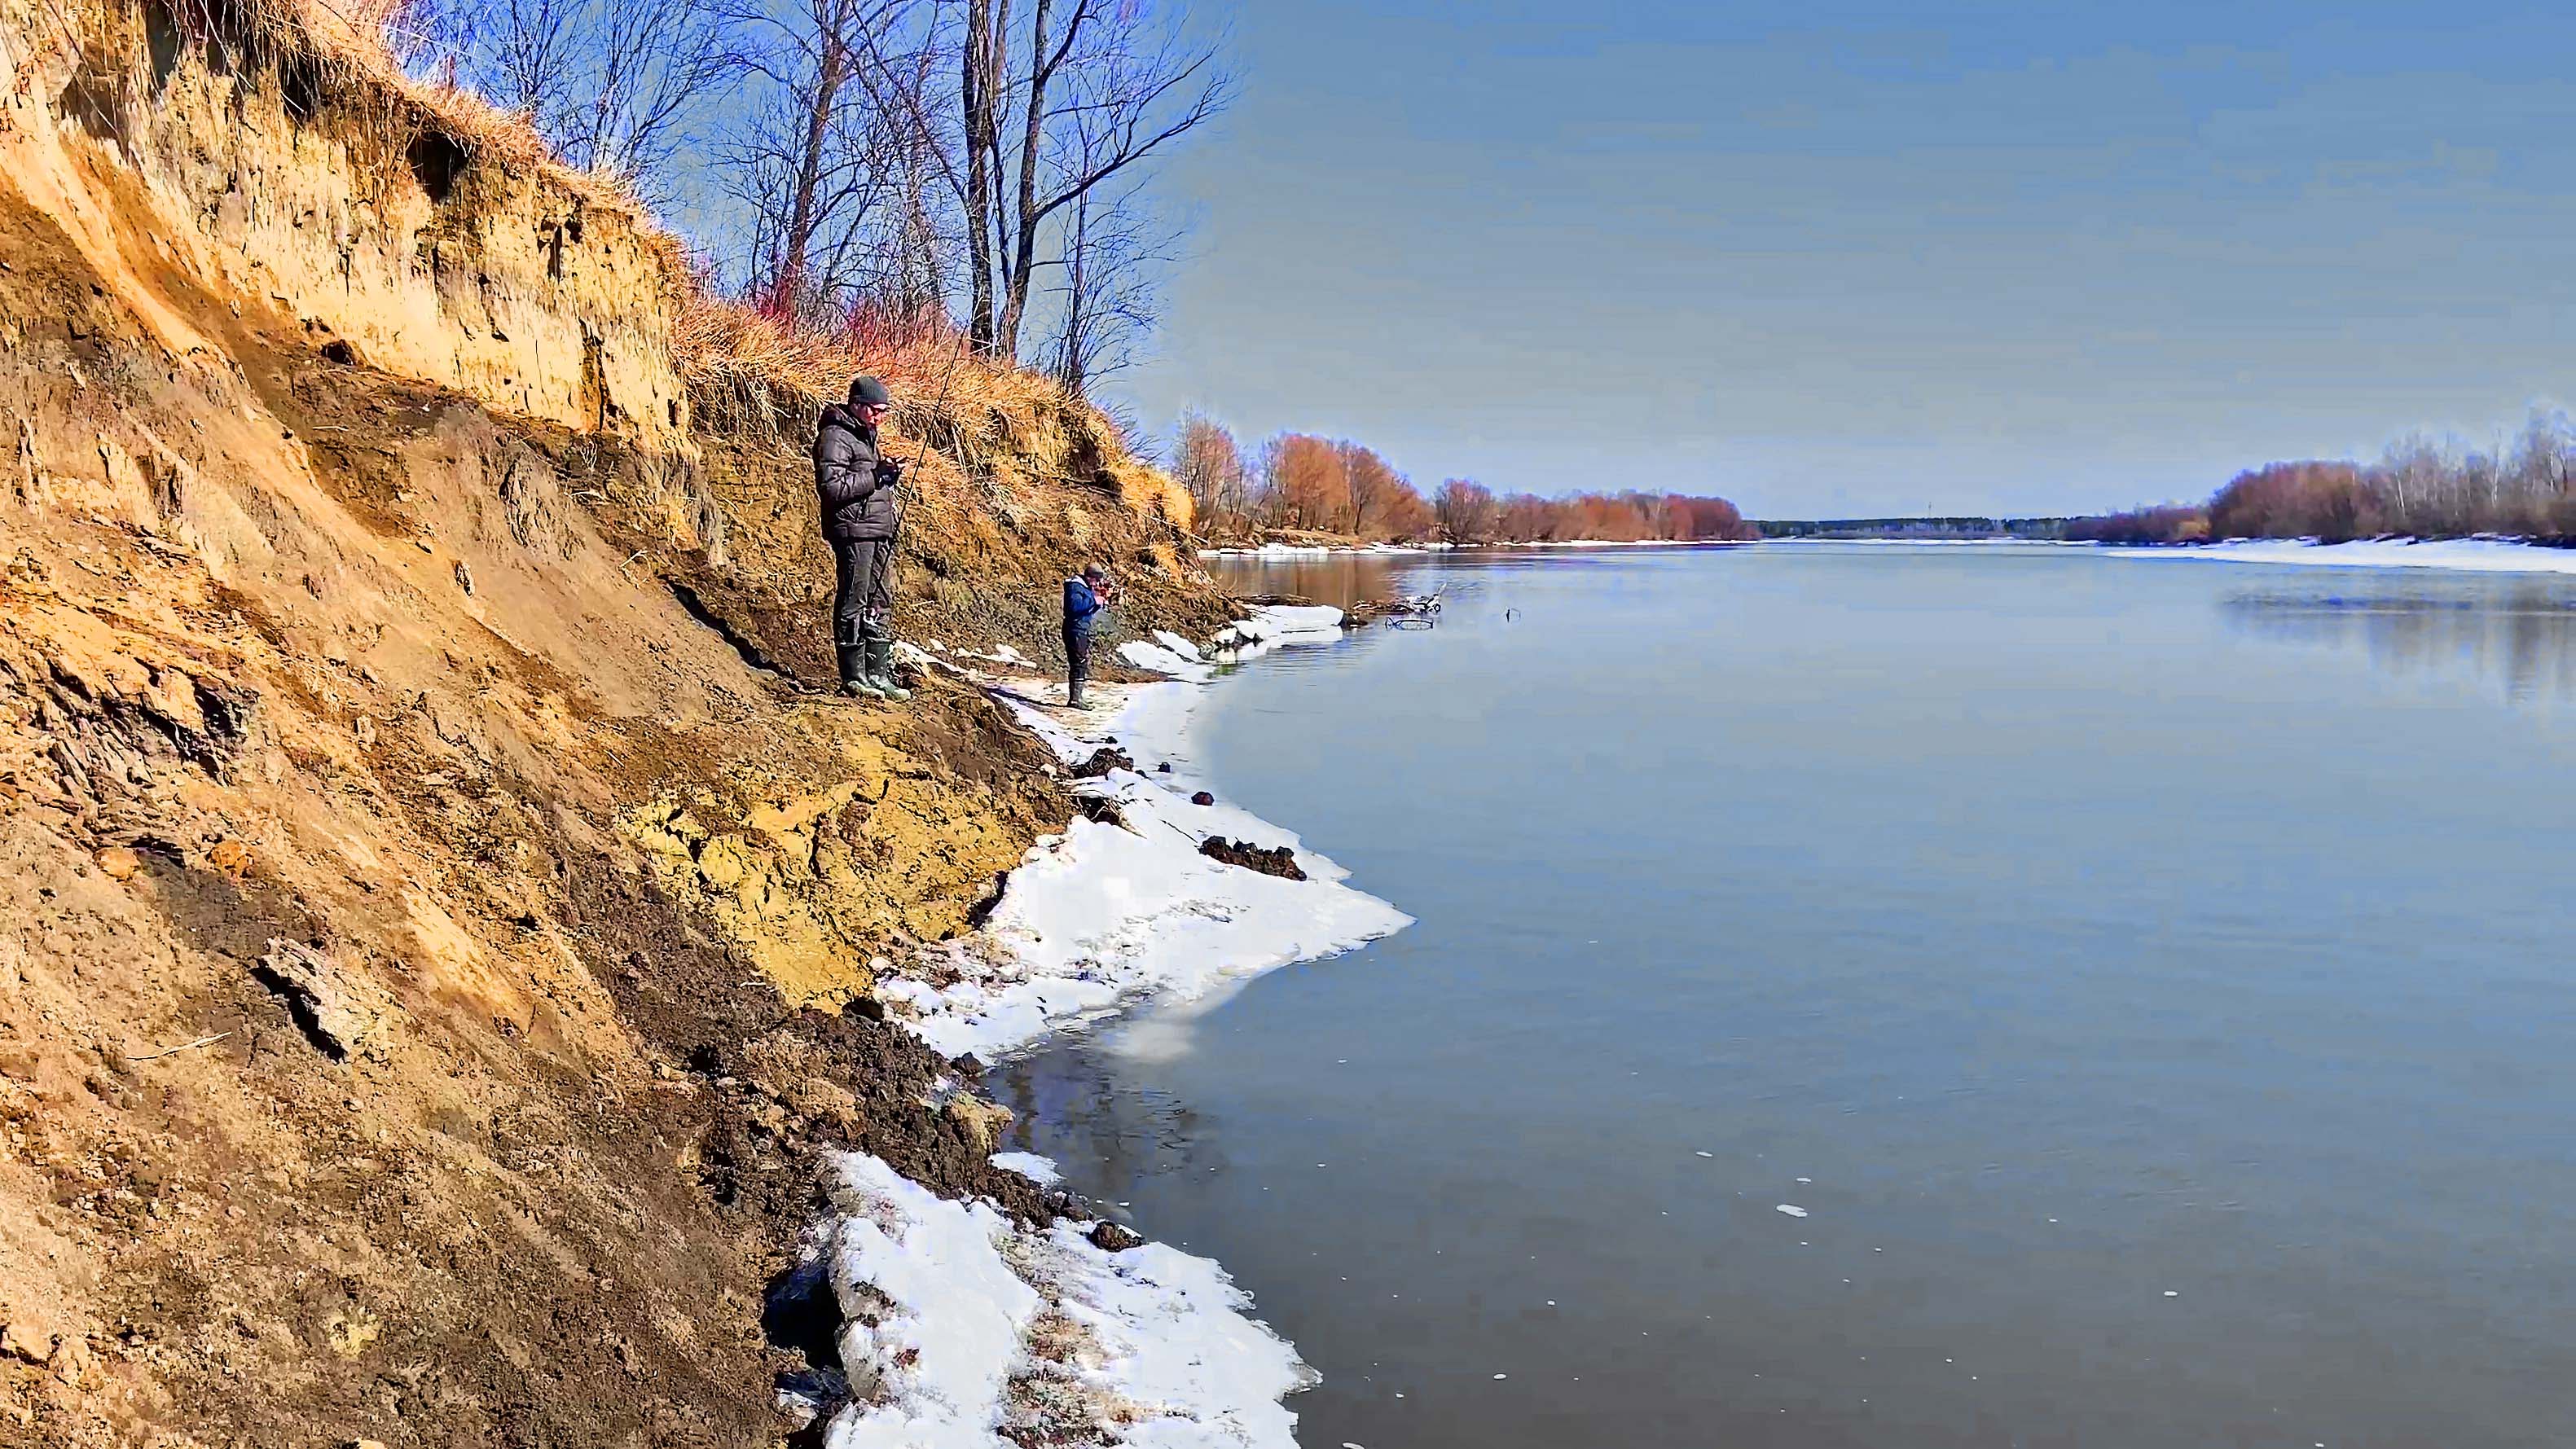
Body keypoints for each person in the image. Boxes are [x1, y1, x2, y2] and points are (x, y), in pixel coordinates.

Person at [812, 375, 910, 701]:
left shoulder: (865, 437)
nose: (880, 418)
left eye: (885, 412)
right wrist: (874, 476)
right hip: (854, 531)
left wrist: (886, 475)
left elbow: (864, 480)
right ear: (857, 406)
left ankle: (878, 674)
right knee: (854, 598)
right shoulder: (835, 436)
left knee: (879, 599)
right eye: (876, 411)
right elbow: (831, 488)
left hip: (876, 529)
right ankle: (854, 677)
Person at [1062, 564, 1116, 708]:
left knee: (1082, 662)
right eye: (1097, 580)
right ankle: (1075, 700)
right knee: (1078, 663)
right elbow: (1073, 607)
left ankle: (1077, 697)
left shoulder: (1084, 588)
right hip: (1075, 629)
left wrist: (1100, 600)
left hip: (1081, 629)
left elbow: (1087, 610)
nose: (1098, 584)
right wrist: (1094, 600)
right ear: (1090, 577)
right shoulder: (1075, 587)